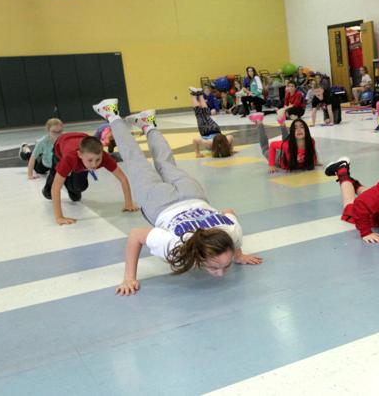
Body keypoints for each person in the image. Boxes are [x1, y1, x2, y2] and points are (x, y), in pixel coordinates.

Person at [89, 102, 263, 296]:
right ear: (197, 253)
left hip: (192, 193)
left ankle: (149, 124)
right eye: (215, 267)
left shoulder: (232, 232)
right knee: (135, 159)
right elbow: (136, 235)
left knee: (165, 161)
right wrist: (129, 277)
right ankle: (111, 114)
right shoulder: (175, 246)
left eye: (225, 265)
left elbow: (229, 212)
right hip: (159, 202)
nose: (221, 274)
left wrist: (237, 253)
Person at [42, 99, 138, 225]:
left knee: (78, 191)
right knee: (51, 191)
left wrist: (128, 203)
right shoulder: (70, 158)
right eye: (90, 160)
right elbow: (56, 188)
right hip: (60, 147)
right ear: (80, 155)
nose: (94, 164)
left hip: (80, 146)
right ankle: (54, 179)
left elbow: (123, 179)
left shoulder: (103, 157)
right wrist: (59, 217)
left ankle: (68, 181)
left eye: (97, 159)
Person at [188, 88, 234, 158]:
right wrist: (197, 153)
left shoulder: (227, 141)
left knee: (206, 114)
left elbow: (231, 137)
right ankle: (193, 94)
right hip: (205, 132)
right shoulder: (210, 143)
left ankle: (200, 94)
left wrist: (231, 150)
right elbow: (195, 140)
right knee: (199, 114)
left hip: (216, 129)